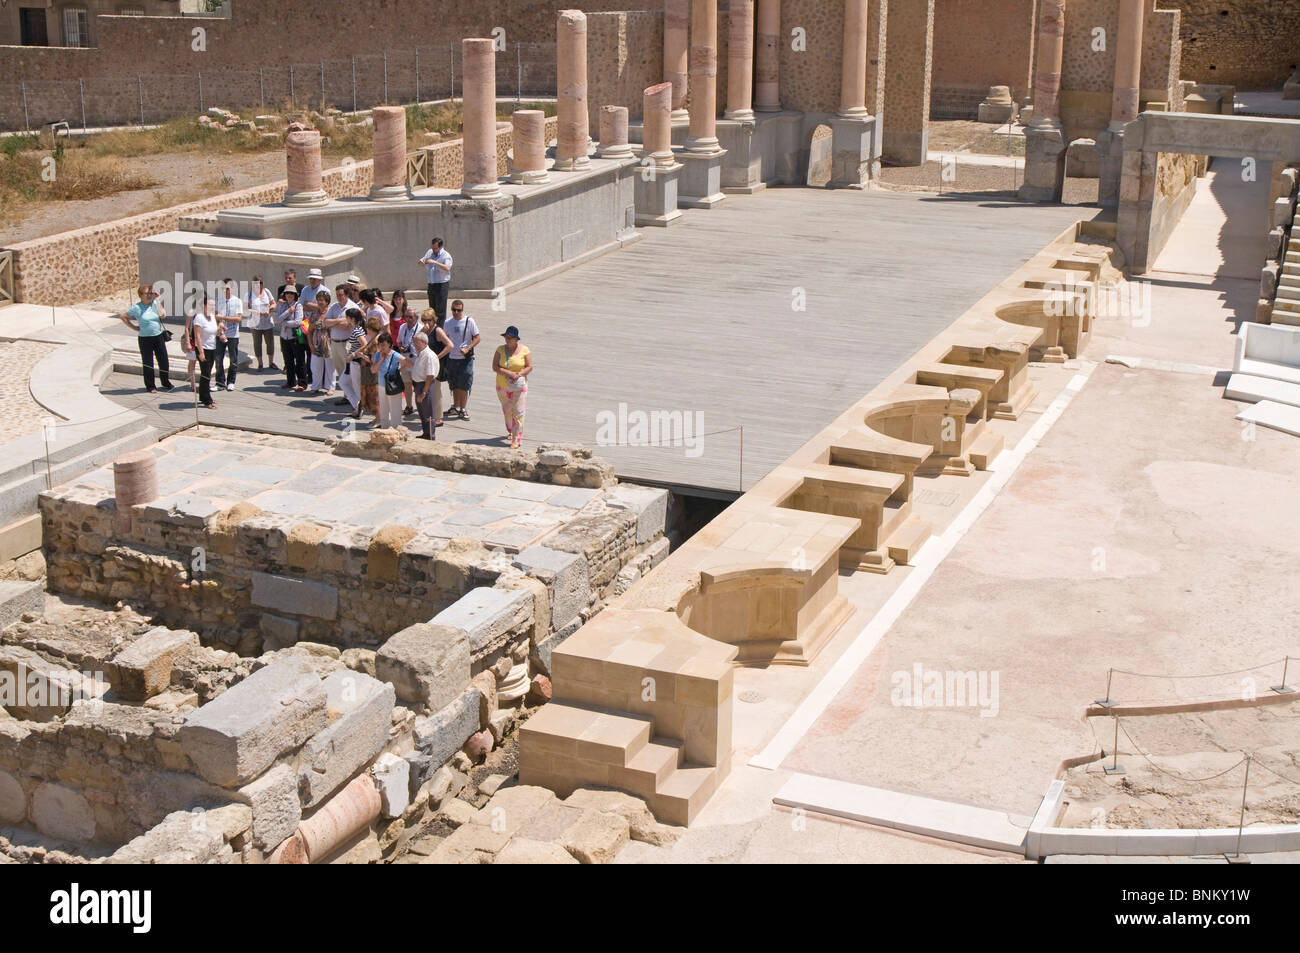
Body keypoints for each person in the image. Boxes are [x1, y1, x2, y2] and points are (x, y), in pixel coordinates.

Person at [117, 283, 173, 393]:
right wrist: (134, 327)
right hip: (145, 339)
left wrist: (157, 299)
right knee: (148, 363)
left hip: (158, 336)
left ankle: (165, 382)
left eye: (150, 293)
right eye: (147, 293)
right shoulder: (137, 307)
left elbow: (163, 315)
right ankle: (150, 386)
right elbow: (123, 316)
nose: (149, 296)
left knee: (164, 361)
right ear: (140, 295)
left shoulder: (155, 304)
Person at [492, 325, 532, 450]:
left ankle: (516, 439)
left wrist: (519, 374)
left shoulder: (525, 350)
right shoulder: (500, 349)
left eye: (510, 338)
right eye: (506, 337)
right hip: (503, 386)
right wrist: (508, 373)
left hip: (519, 386)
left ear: (516, 339)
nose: (507, 340)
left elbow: (529, 366)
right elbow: (495, 367)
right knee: (507, 411)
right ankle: (510, 430)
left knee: (518, 413)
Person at [442, 299, 480, 421]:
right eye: (454, 310)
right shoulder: (448, 322)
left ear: (462, 310)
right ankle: (456, 406)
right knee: (453, 383)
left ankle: (463, 409)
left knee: (464, 383)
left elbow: (477, 337)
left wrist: (468, 348)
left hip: (465, 358)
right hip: (452, 357)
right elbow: (445, 337)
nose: (456, 312)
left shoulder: (469, 321)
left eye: (459, 310)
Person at [323, 283, 360, 404]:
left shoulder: (352, 307)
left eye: (341, 295)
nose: (339, 297)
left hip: (347, 344)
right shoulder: (334, 307)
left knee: (349, 371)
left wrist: (334, 323)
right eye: (337, 295)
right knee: (340, 370)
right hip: (334, 343)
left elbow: (346, 326)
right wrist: (339, 320)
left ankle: (354, 397)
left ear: (346, 294)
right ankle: (347, 395)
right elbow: (325, 322)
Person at [420, 308, 454, 426]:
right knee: (427, 390)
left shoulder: (437, 330)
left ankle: (438, 418)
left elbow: (450, 345)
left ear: (434, 320)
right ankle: (430, 415)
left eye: (429, 320)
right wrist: (422, 332)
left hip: (435, 365)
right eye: (424, 320)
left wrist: (437, 357)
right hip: (425, 364)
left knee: (435, 391)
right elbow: (415, 342)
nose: (426, 322)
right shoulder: (424, 331)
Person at [404, 331, 439, 439]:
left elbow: (429, 376)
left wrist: (424, 392)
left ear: (424, 342)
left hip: (425, 385)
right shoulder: (421, 354)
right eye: (414, 343)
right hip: (419, 385)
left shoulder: (429, 355)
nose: (414, 345)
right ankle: (426, 433)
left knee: (427, 412)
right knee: (422, 411)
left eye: (416, 343)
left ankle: (430, 435)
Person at [191, 294, 223, 409]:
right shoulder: (199, 317)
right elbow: (197, 336)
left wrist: (220, 332)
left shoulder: (212, 317)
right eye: (210, 305)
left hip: (212, 348)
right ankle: (206, 400)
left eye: (214, 305)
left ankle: (204, 396)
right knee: (206, 374)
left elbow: (214, 332)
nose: (212, 307)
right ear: (204, 305)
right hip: (203, 348)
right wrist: (201, 352)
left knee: (208, 373)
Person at [371, 332, 404, 429]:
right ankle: (384, 429)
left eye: (384, 345)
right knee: (384, 410)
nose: (382, 347)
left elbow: (408, 363)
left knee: (395, 411)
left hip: (393, 385)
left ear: (389, 344)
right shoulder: (377, 355)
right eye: (380, 345)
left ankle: (396, 430)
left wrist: (398, 372)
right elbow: (373, 370)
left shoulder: (395, 355)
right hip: (382, 385)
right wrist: (381, 360)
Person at [277, 286, 308, 391]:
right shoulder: (283, 305)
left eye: (291, 293)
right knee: (288, 361)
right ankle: (290, 382)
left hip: (295, 337)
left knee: (299, 360)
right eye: (287, 293)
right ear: (284, 295)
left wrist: (284, 323)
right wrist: (289, 311)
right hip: (284, 337)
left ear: (295, 295)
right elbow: (278, 319)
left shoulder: (298, 305)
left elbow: (298, 322)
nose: (289, 295)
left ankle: (302, 383)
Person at [215, 278, 243, 391]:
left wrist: (223, 318)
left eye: (227, 288)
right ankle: (220, 383)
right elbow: (216, 317)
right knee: (218, 359)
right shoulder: (218, 300)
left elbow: (238, 318)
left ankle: (231, 381)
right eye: (223, 289)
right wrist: (221, 331)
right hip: (220, 334)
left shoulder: (237, 301)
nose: (226, 291)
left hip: (233, 335)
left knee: (233, 359)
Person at [245, 275, 276, 370]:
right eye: (257, 283)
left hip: (267, 323)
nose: (259, 285)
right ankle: (260, 363)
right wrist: (255, 313)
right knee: (257, 344)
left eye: (261, 283)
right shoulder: (249, 294)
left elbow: (274, 303)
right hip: (255, 324)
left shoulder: (267, 291)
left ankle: (271, 362)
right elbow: (245, 309)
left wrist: (269, 309)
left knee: (270, 343)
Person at [308, 289, 336, 395]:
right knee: (315, 366)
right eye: (318, 300)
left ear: (327, 301)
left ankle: (330, 387)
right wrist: (311, 345)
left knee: (330, 366)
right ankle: (315, 386)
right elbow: (309, 330)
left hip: (329, 342)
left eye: (322, 300)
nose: (320, 302)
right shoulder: (314, 313)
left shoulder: (331, 312)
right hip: (317, 342)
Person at [417, 237, 453, 321]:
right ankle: (432, 327)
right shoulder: (430, 252)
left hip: (441, 285)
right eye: (432, 247)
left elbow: (447, 268)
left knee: (440, 310)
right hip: (431, 284)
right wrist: (422, 262)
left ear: (440, 247)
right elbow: (421, 261)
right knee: (432, 309)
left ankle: (440, 329)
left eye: (435, 248)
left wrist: (435, 262)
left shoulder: (446, 255)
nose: (433, 250)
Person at [395, 304, 421, 416]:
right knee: (407, 385)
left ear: (416, 318)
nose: (408, 319)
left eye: (411, 317)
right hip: (405, 360)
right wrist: (400, 346)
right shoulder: (403, 327)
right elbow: (399, 341)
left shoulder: (421, 328)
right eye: (407, 317)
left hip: (417, 361)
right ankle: (409, 406)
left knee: (418, 386)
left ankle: (420, 407)